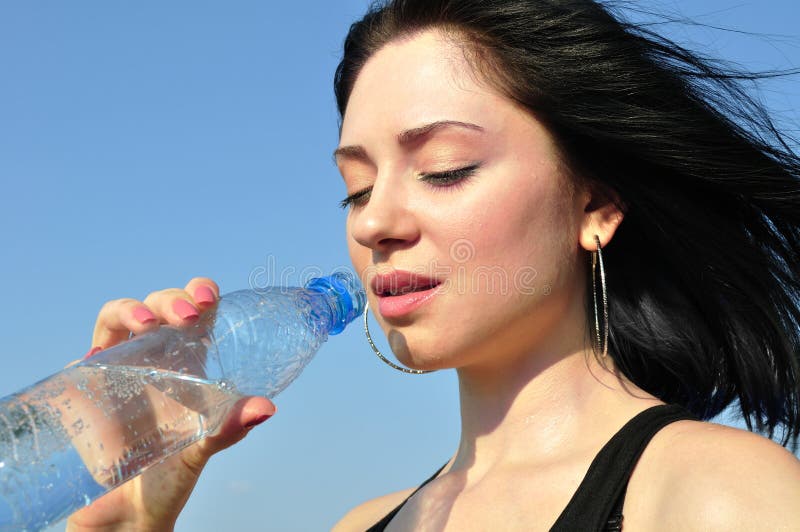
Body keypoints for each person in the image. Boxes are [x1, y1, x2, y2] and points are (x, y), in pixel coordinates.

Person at [67, 0, 800, 530]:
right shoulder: (364, 525)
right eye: (357, 188)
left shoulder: (715, 496)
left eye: (445, 169)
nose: (374, 222)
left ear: (596, 206)